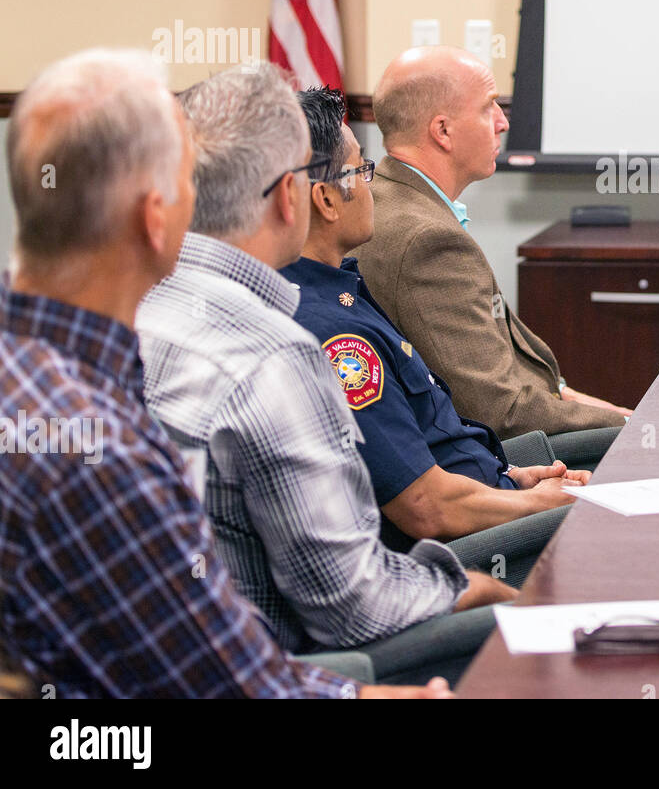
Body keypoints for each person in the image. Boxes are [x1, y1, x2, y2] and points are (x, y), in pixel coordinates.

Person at [0, 50, 444, 697]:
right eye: (190, 187)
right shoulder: (99, 449)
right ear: (156, 220)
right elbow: (234, 683)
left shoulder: (55, 380)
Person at [135, 63, 514, 659]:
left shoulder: (145, 307)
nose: (368, 184)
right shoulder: (273, 355)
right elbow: (352, 606)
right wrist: (483, 591)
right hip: (296, 669)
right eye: (360, 169)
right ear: (296, 198)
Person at [282, 86, 587, 558]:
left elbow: (435, 447)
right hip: (467, 551)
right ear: (325, 200)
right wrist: (532, 503)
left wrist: (512, 478)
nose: (372, 187)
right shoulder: (334, 334)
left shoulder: (339, 288)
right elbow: (425, 507)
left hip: (488, 494)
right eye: (362, 169)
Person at [355, 46, 632, 437]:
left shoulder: (392, 199)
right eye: (489, 108)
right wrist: (631, 424)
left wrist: (613, 414)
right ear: (443, 131)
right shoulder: (426, 240)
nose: (503, 122)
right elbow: (502, 413)